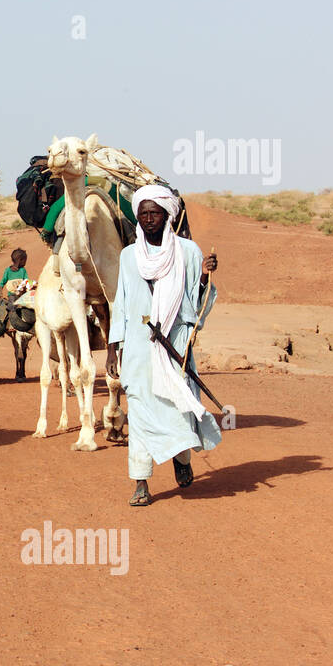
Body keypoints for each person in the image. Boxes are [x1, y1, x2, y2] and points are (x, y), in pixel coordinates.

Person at [106, 185, 221, 507]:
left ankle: (181, 458)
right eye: (143, 214)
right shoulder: (129, 256)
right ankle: (140, 481)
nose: (148, 219)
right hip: (139, 347)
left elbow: (198, 302)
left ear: (167, 215)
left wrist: (203, 279)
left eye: (154, 213)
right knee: (140, 410)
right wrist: (114, 347)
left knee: (176, 407)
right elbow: (122, 303)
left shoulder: (189, 251)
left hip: (176, 342)